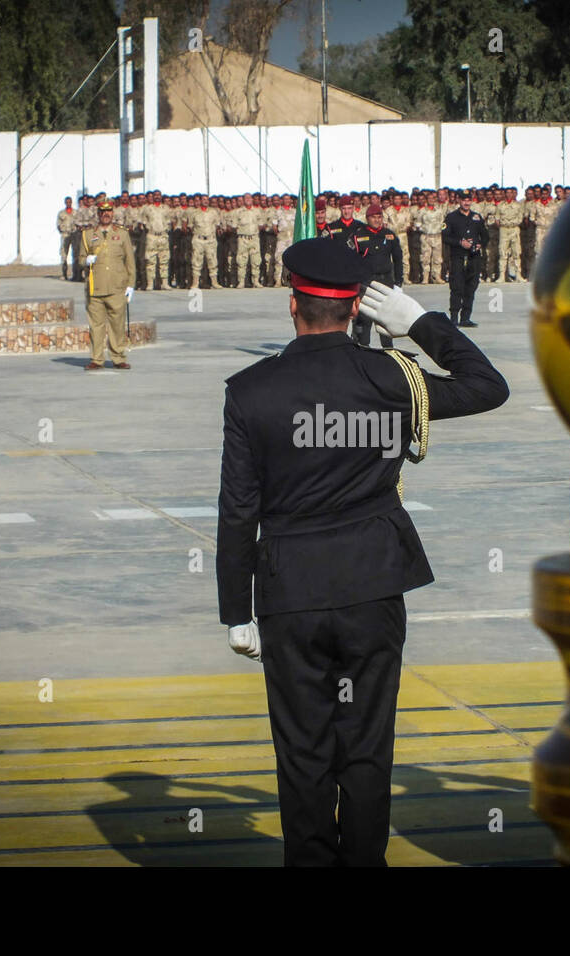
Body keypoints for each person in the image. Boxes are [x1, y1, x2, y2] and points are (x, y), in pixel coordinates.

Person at [216, 238, 509, 866]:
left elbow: (238, 511)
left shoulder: (250, 391)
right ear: (358, 311)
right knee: (368, 745)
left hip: (290, 594)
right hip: (372, 588)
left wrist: (235, 611)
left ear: (293, 306)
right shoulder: (390, 377)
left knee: (302, 751)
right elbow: (489, 386)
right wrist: (422, 322)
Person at [80, 201, 136, 370]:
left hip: (116, 286)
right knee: (96, 326)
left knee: (117, 325)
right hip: (95, 287)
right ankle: (97, 359)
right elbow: (80, 259)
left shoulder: (123, 234)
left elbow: (130, 261)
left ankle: (118, 358)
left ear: (113, 213)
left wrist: (131, 285)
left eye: (109, 211)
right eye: (103, 211)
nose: (106, 214)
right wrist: (86, 260)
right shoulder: (88, 234)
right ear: (98, 214)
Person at [348, 204, 405, 347]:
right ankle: (363, 348)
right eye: (374, 217)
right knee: (364, 320)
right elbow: (349, 260)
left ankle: (388, 350)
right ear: (367, 218)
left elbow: (398, 259)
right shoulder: (358, 236)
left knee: (385, 319)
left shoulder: (389, 235)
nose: (377, 220)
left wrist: (398, 282)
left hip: (385, 281)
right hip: (366, 283)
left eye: (379, 217)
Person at [442, 190, 488, 328]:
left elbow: (485, 235)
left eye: (468, 200)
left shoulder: (477, 217)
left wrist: (480, 244)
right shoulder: (451, 217)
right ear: (459, 201)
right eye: (463, 200)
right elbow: (445, 237)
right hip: (458, 257)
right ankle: (454, 317)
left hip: (474, 257)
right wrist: (460, 242)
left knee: (471, 287)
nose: (466, 202)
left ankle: (465, 317)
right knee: (456, 287)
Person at [57, 196, 78, 281]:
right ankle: (64, 274)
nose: (68, 203)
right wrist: (62, 231)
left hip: (74, 235)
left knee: (75, 254)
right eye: (67, 202)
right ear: (65, 203)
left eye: (70, 202)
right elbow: (58, 224)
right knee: (64, 254)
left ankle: (75, 274)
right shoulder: (61, 213)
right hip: (65, 235)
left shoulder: (75, 212)